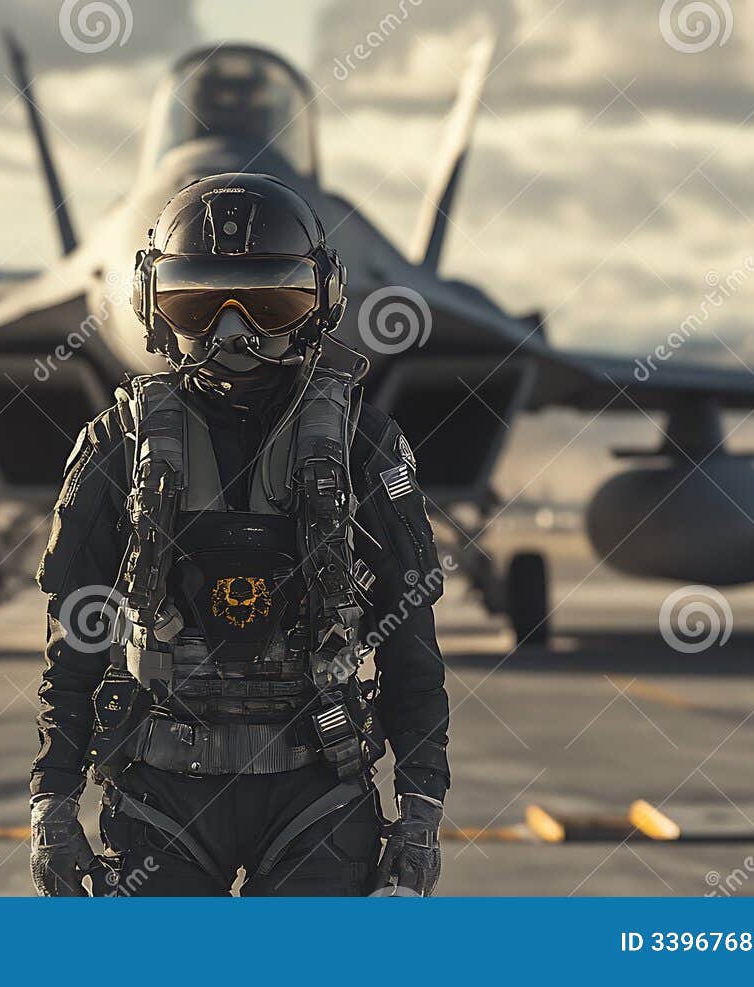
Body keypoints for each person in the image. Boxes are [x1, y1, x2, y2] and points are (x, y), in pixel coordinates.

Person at [29, 173, 449, 896]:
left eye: (270, 302)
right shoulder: (119, 445)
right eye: (199, 302)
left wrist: (420, 813)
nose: (234, 332)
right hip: (161, 797)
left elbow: (411, 644)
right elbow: (75, 647)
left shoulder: (361, 445)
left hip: (317, 790)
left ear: (320, 304)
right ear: (154, 306)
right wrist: (52, 806)